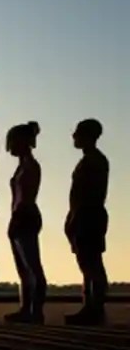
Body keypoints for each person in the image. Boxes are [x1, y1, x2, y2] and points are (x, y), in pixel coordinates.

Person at [65, 119, 109, 326]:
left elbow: (87, 195)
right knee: (87, 263)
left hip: (89, 217)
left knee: (91, 264)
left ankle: (95, 307)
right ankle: (90, 305)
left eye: (77, 133)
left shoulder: (94, 161)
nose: (73, 136)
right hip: (86, 216)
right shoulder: (91, 160)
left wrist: (75, 217)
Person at [5, 122, 46, 324]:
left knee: (32, 265)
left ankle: (36, 310)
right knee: (23, 268)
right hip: (19, 215)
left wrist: (17, 217)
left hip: (26, 215)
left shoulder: (31, 165)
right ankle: (26, 308)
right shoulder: (23, 165)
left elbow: (26, 196)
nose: (10, 146)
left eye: (13, 141)